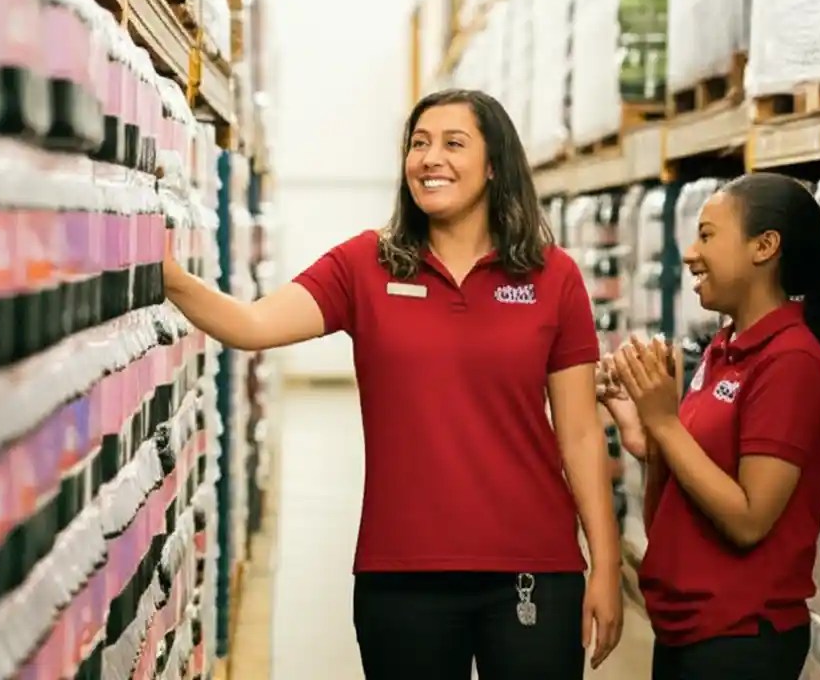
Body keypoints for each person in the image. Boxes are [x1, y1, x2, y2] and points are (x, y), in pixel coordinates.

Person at [163, 88, 623, 679]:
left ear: (493, 165)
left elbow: (580, 434)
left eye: (454, 143)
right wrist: (164, 271)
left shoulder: (552, 276)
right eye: (419, 143)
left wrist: (606, 564)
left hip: (532, 567)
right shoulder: (365, 264)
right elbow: (251, 325)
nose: (430, 158)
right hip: (403, 573)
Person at [605, 173, 820, 680]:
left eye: (707, 236)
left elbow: (750, 519)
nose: (690, 254)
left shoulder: (792, 362)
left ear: (764, 247)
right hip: (689, 629)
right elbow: (679, 506)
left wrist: (665, 422)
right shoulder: (723, 349)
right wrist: (650, 439)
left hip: (741, 637)